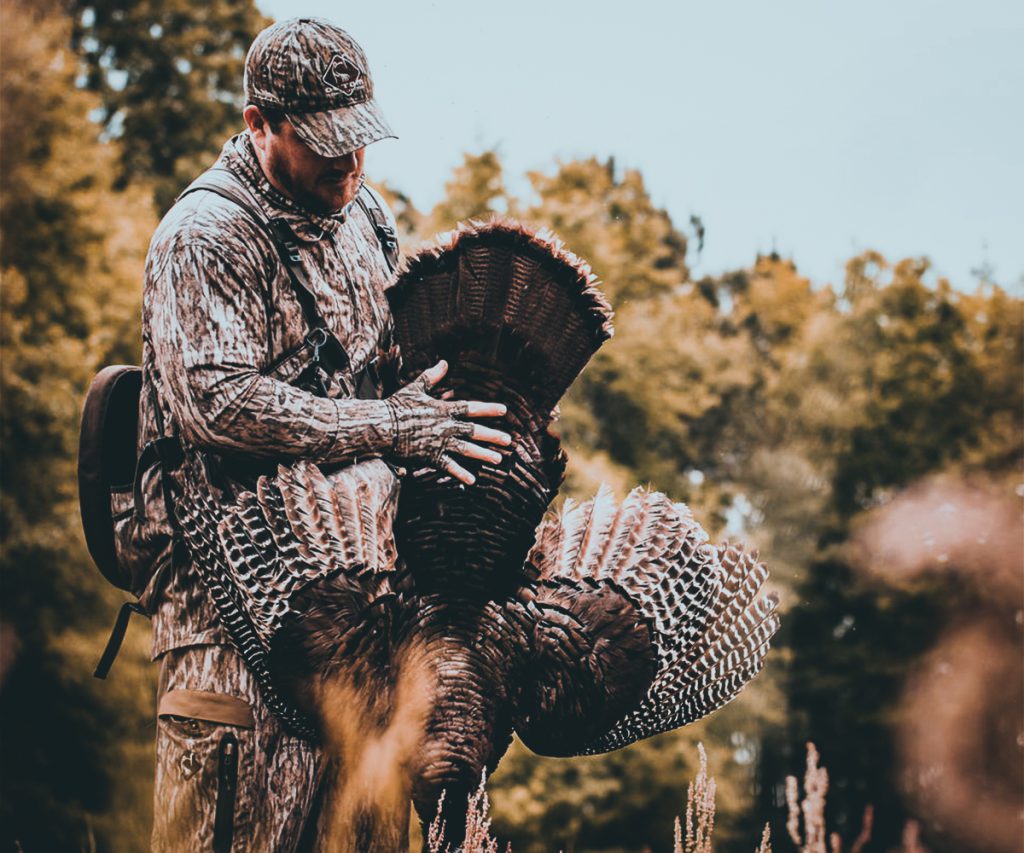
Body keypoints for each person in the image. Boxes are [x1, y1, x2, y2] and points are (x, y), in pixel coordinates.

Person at [137, 17, 510, 850]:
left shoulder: (365, 219)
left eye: (360, 139)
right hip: (228, 622)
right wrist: (392, 425)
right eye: (324, 141)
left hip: (364, 614)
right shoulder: (202, 236)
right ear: (258, 124)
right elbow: (216, 402)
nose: (351, 161)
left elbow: (388, 371)